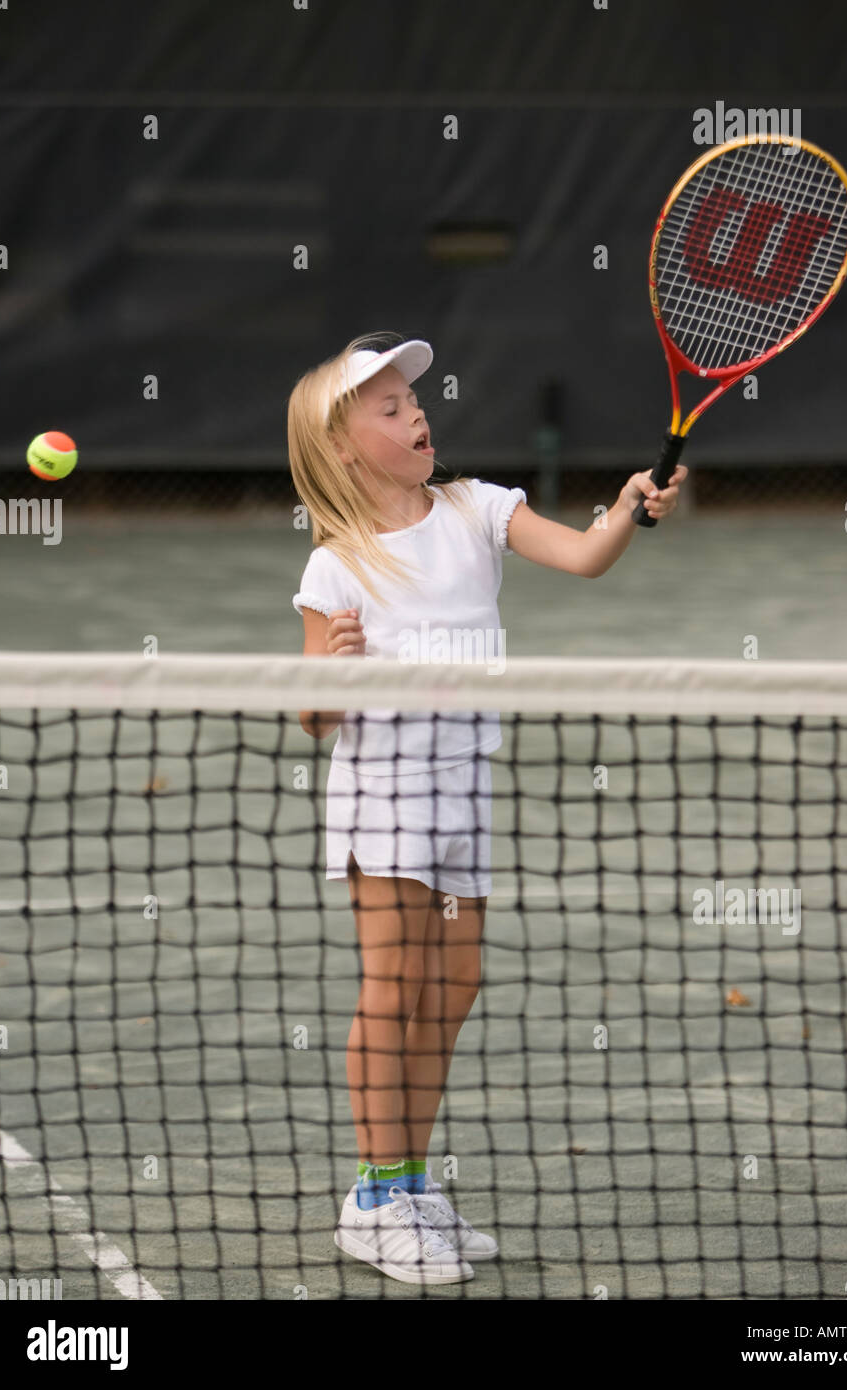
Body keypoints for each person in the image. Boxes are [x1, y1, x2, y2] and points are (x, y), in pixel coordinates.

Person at [289, 333, 685, 1285]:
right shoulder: (336, 564)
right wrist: (331, 676)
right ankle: (378, 1198)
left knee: (454, 985)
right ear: (341, 447)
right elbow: (312, 717)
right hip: (384, 795)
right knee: (394, 987)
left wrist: (629, 505)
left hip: (466, 783)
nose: (414, 414)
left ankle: (409, 1184)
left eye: (413, 401)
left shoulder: (476, 508)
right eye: (386, 408)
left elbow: (587, 557)